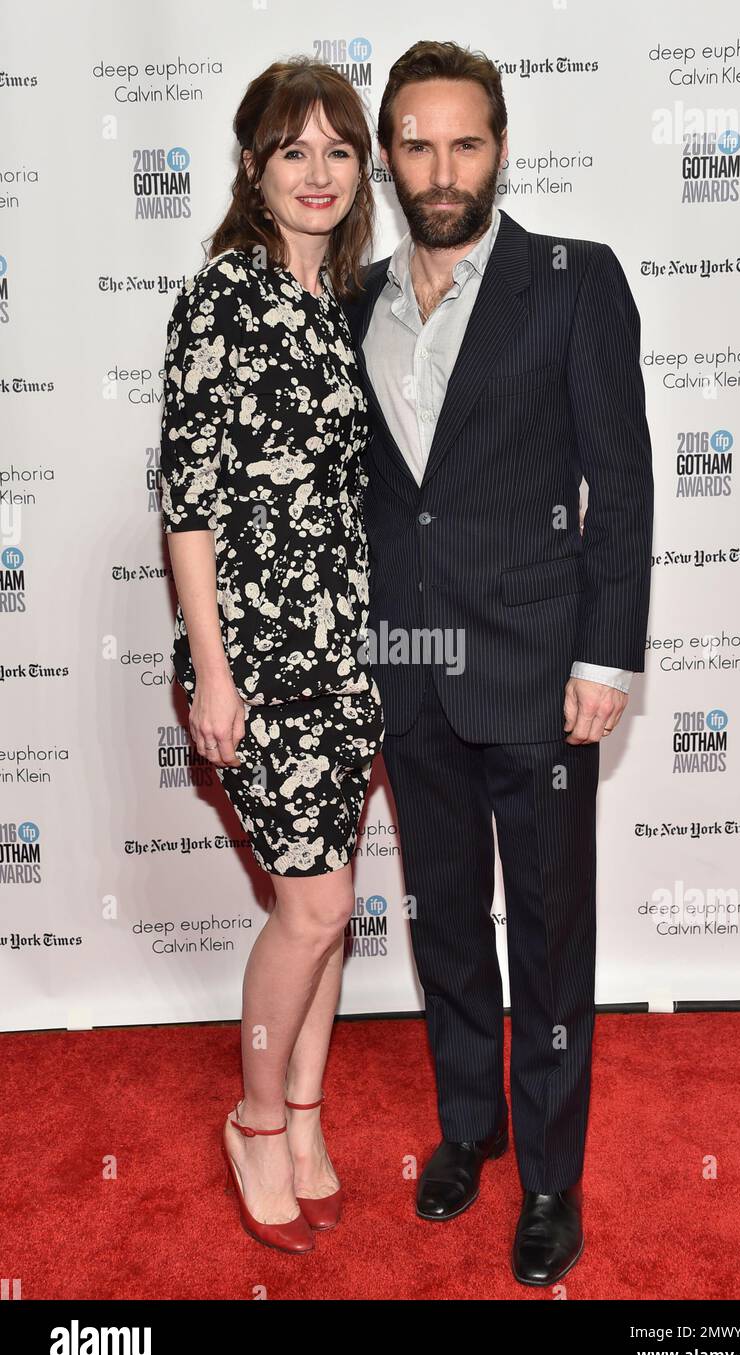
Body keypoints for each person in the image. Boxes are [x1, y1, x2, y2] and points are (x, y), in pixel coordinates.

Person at [344, 41, 654, 1285]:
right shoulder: (353, 298)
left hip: (537, 667)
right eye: (415, 143)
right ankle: (467, 1129)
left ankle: (553, 1179)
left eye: (464, 142)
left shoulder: (571, 283)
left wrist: (608, 657)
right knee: (449, 926)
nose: (440, 167)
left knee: (550, 930)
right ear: (388, 159)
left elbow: (619, 485)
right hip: (407, 664)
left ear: (502, 148)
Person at [159, 59, 383, 1255]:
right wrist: (213, 669)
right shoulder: (225, 297)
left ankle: (302, 1117)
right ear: (253, 165)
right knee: (318, 903)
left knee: (330, 913)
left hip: (346, 656)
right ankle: (252, 1119)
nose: (318, 172)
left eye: (339, 151)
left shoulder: (336, 305)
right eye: (293, 150)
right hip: (258, 657)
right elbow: (188, 504)